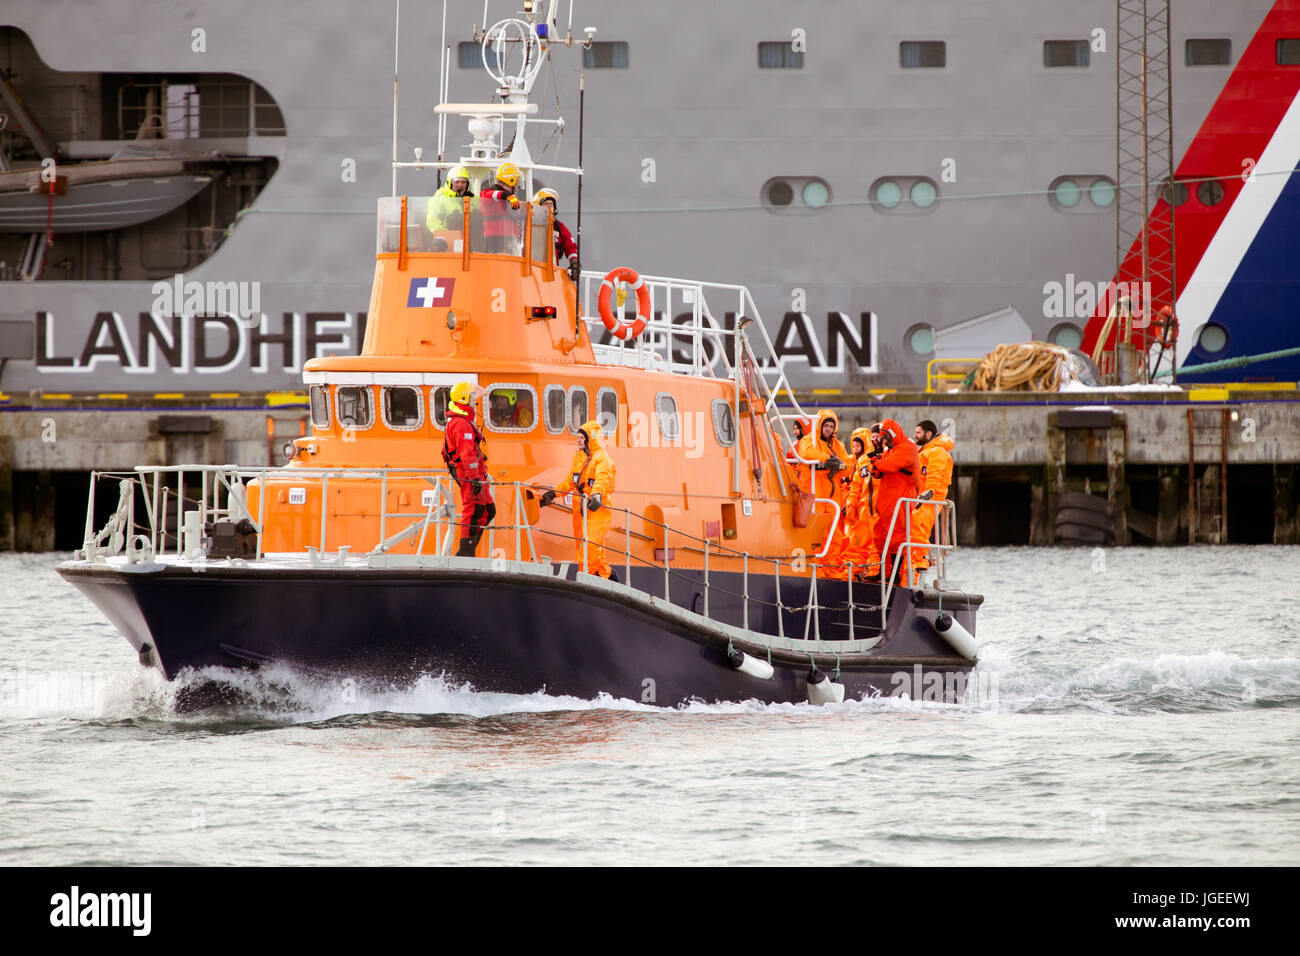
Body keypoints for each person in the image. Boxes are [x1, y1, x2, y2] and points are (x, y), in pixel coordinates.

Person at [540, 420, 617, 580]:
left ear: (591, 438)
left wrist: (596, 494)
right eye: (578, 437)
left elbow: (603, 479)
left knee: (590, 546)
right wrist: (554, 493)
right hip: (580, 509)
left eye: (582, 437)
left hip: (597, 509)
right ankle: (606, 577)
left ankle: (586, 579)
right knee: (585, 545)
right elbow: (570, 481)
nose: (579, 440)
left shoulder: (603, 460)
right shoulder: (579, 458)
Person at [441, 381, 495, 557]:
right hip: (468, 473)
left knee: (487, 510)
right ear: (463, 398)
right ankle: (465, 553)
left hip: (475, 474)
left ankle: (467, 550)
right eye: (472, 397)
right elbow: (467, 455)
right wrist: (474, 479)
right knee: (473, 510)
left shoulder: (463, 420)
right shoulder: (460, 424)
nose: (475, 400)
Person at [870, 418, 920, 581]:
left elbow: (888, 465)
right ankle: (884, 573)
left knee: (898, 536)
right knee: (880, 536)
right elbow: (878, 469)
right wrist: (877, 464)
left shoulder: (907, 448)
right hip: (887, 503)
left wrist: (878, 463)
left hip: (900, 500)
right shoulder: (891, 449)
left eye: (885, 438)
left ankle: (896, 575)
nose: (884, 441)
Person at [908, 419, 955, 584]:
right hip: (921, 497)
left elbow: (935, 476)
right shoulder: (926, 452)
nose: (915, 436)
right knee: (910, 527)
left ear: (928, 434)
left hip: (931, 498)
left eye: (918, 432)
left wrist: (929, 493)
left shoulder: (938, 452)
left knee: (917, 526)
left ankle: (921, 570)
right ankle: (911, 573)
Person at [532, 188, 579, 279]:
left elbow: (571, 247)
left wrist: (574, 263)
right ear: (538, 206)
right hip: (533, 272)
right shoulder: (530, 225)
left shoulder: (559, 227)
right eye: (546, 204)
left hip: (552, 272)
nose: (550, 206)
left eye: (552, 204)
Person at [425, 166, 474, 247]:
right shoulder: (439, 198)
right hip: (448, 243)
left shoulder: (473, 198)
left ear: (467, 184)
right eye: (457, 182)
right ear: (450, 183)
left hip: (471, 241)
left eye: (463, 182)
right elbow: (433, 221)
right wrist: (448, 236)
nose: (460, 185)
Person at [480, 161, 522, 254]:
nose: (518, 183)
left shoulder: (511, 197)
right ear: (511, 180)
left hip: (511, 239)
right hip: (495, 238)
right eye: (517, 180)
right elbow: (485, 194)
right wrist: (506, 195)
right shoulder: (491, 192)